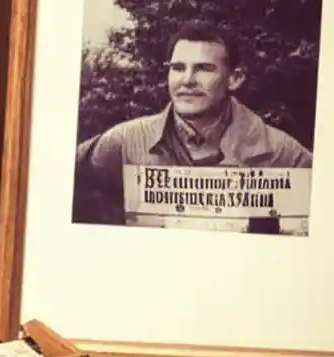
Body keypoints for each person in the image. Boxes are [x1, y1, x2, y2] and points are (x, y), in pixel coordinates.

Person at [72, 22, 312, 225]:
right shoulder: (126, 141)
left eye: (204, 69)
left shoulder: (282, 154)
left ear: (234, 79)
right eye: (178, 68)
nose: (187, 81)